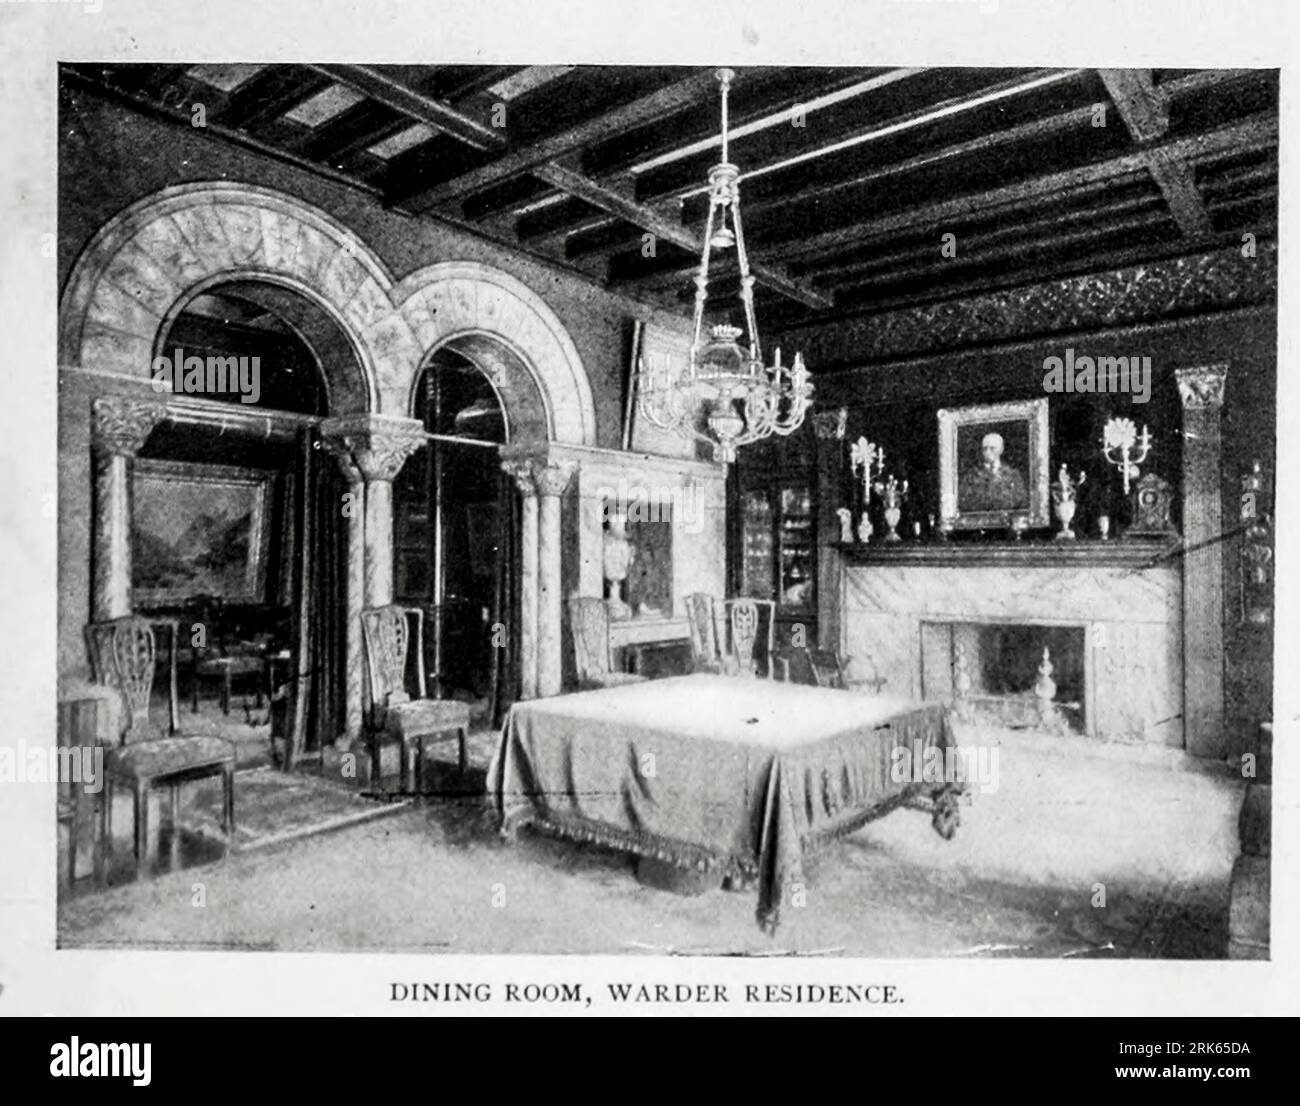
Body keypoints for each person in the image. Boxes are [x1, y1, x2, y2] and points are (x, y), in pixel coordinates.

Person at [958, 432, 1027, 512]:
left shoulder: (1013, 475)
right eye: (985, 449)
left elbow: (1021, 501)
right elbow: (964, 502)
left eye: (992, 448)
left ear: (1001, 449)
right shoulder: (971, 476)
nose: (987, 452)